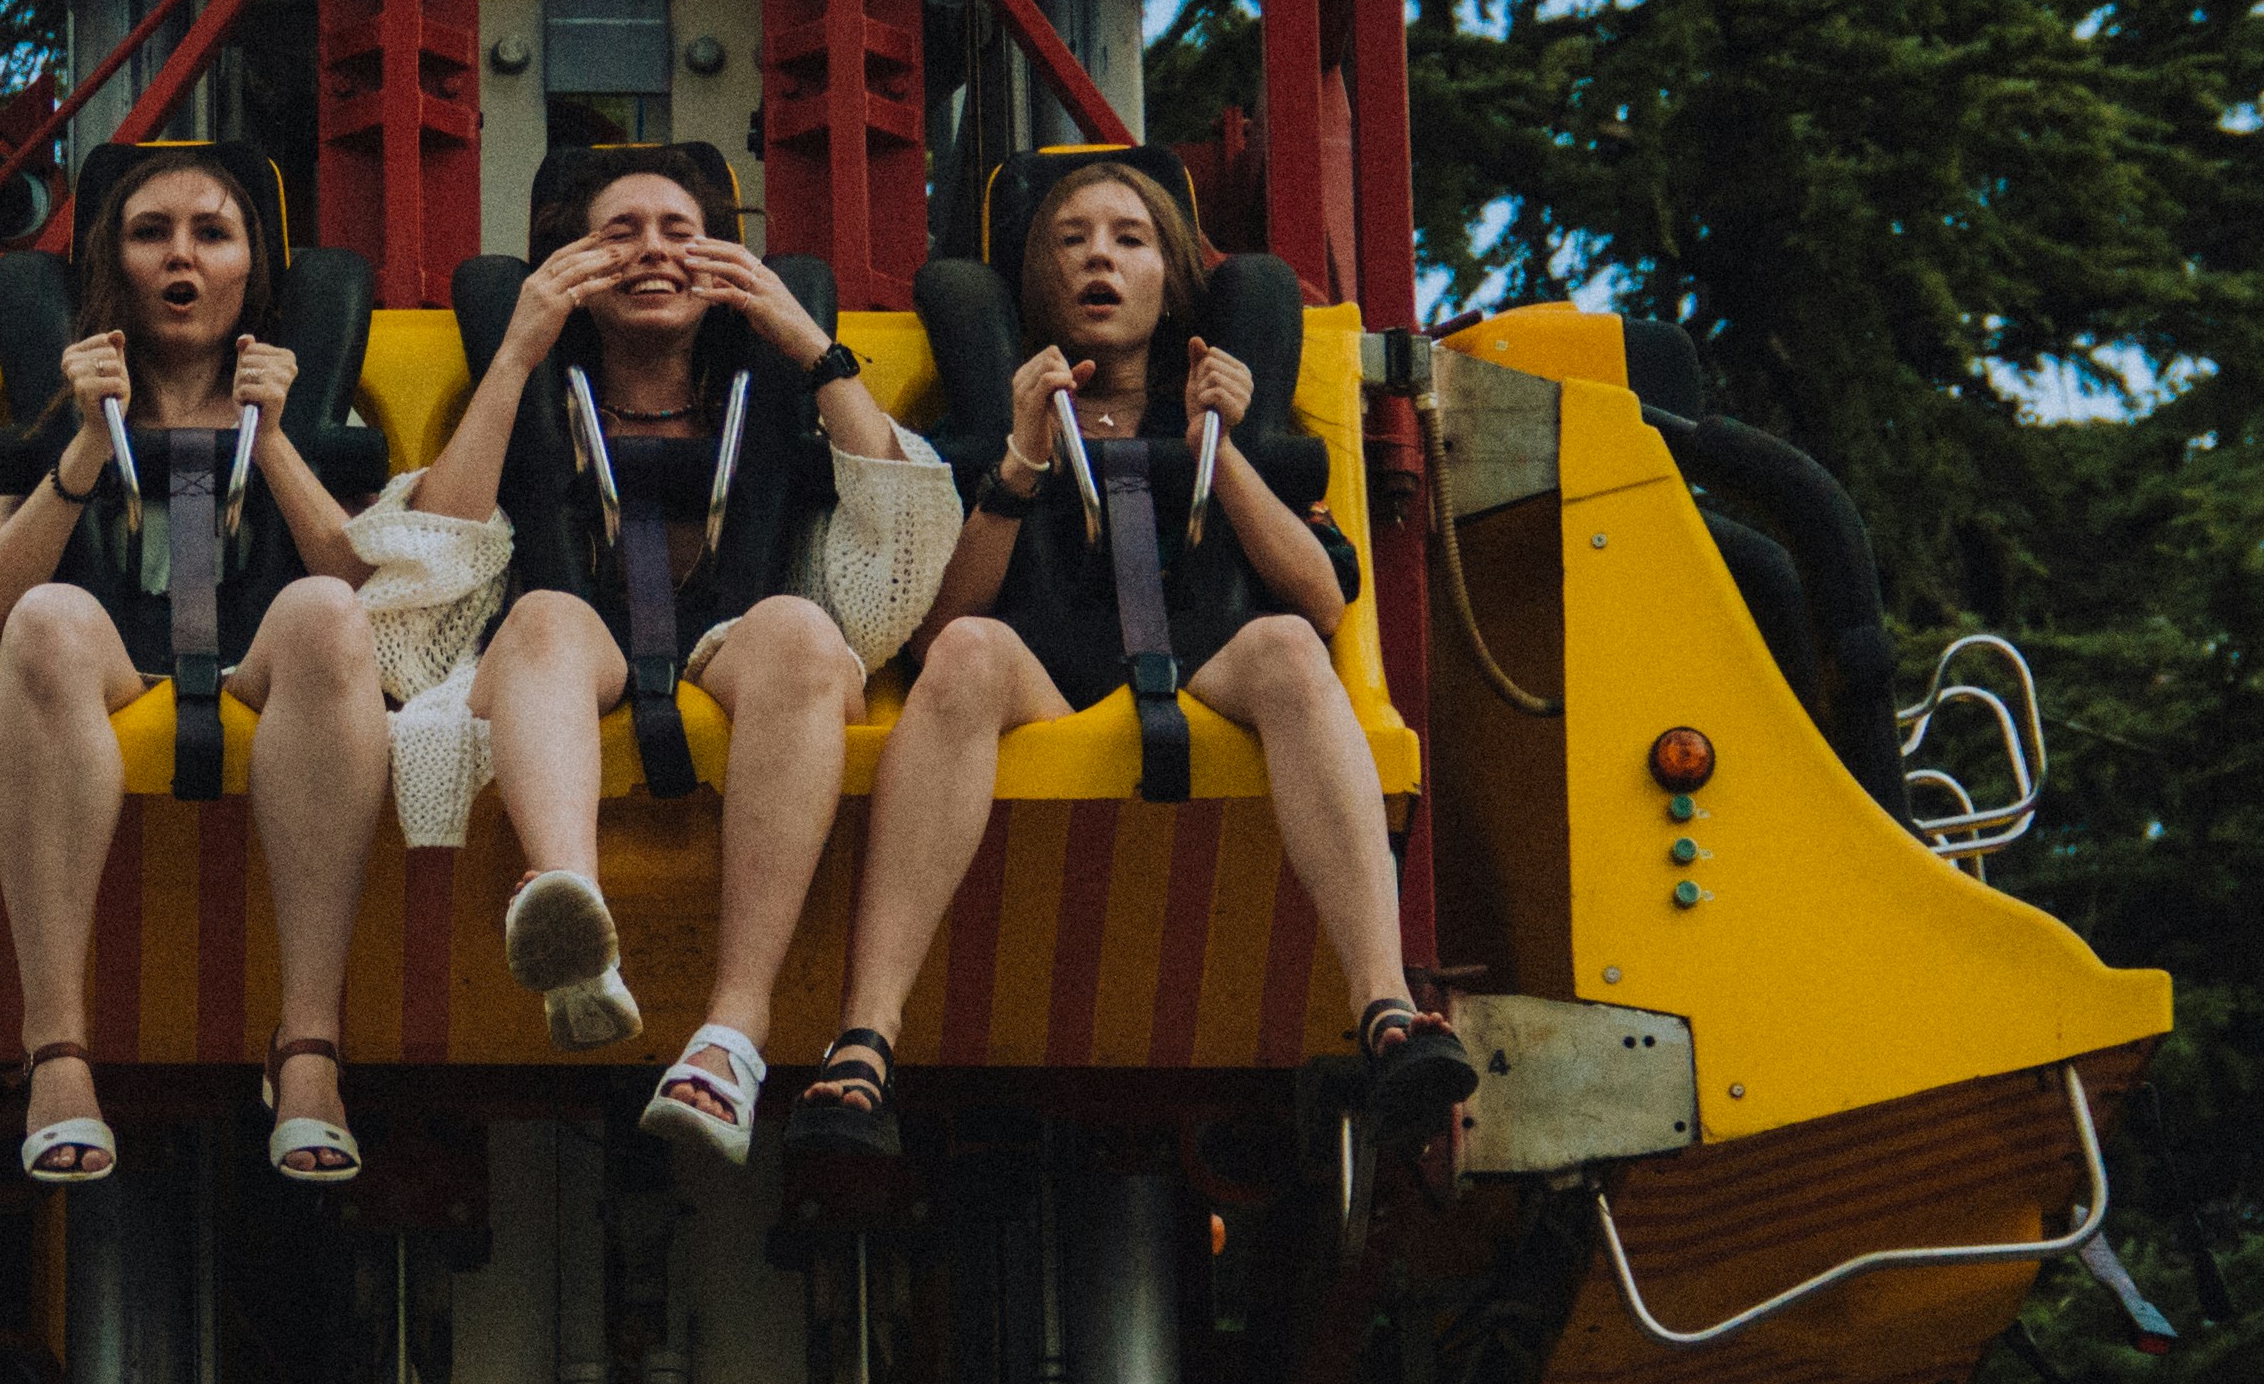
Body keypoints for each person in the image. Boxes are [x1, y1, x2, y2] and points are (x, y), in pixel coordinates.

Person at [800, 157, 1470, 1158]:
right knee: (971, 652)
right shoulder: (987, 415)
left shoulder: (1238, 413)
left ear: (1169, 279)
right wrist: (1021, 458)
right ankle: (865, 1040)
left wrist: (1222, 443)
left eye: (1129, 240)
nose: (1099, 260)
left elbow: (1324, 599)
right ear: (1036, 282)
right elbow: (939, 626)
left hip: (1207, 649)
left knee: (1288, 646)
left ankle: (1383, 1007)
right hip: (1044, 658)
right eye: (1071, 242)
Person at [361, 152, 953, 1152]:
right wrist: (516, 353)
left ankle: (734, 1033)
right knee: (543, 613)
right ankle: (568, 918)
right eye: (617, 233)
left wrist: (807, 340)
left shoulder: (762, 390)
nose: (653, 253)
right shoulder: (538, 390)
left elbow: (904, 536)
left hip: (735, 649)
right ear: (570, 265)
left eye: (681, 231)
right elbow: (431, 556)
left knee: (804, 634)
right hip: (568, 652)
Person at [0, 145, 389, 1186]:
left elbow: (372, 586)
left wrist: (274, 437)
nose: (181, 257)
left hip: (266, 665)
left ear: (253, 266)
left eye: (213, 232)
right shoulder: (54, 409)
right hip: (106, 664)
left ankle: (308, 1049)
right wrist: (82, 444)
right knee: (50, 617)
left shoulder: (320, 402)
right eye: (151, 233)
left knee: (330, 611)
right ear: (114, 261)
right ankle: (57, 1052)